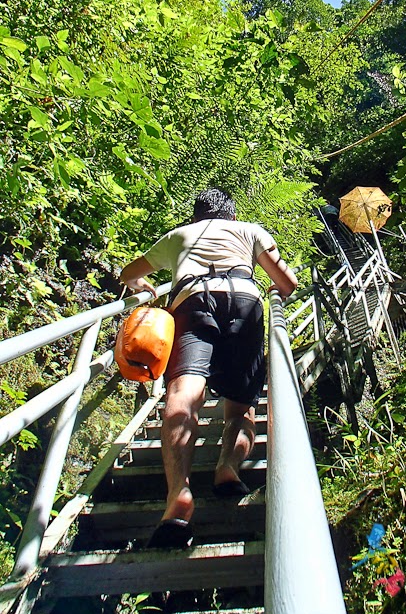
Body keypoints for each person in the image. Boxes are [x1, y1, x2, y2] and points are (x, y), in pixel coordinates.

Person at [119, 188, 297, 548]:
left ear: (195, 215)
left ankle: (178, 494)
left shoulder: (179, 235)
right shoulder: (251, 230)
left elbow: (128, 273)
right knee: (241, 406)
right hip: (244, 300)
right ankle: (227, 467)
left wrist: (143, 286)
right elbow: (287, 284)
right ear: (233, 215)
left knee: (183, 393)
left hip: (192, 301)